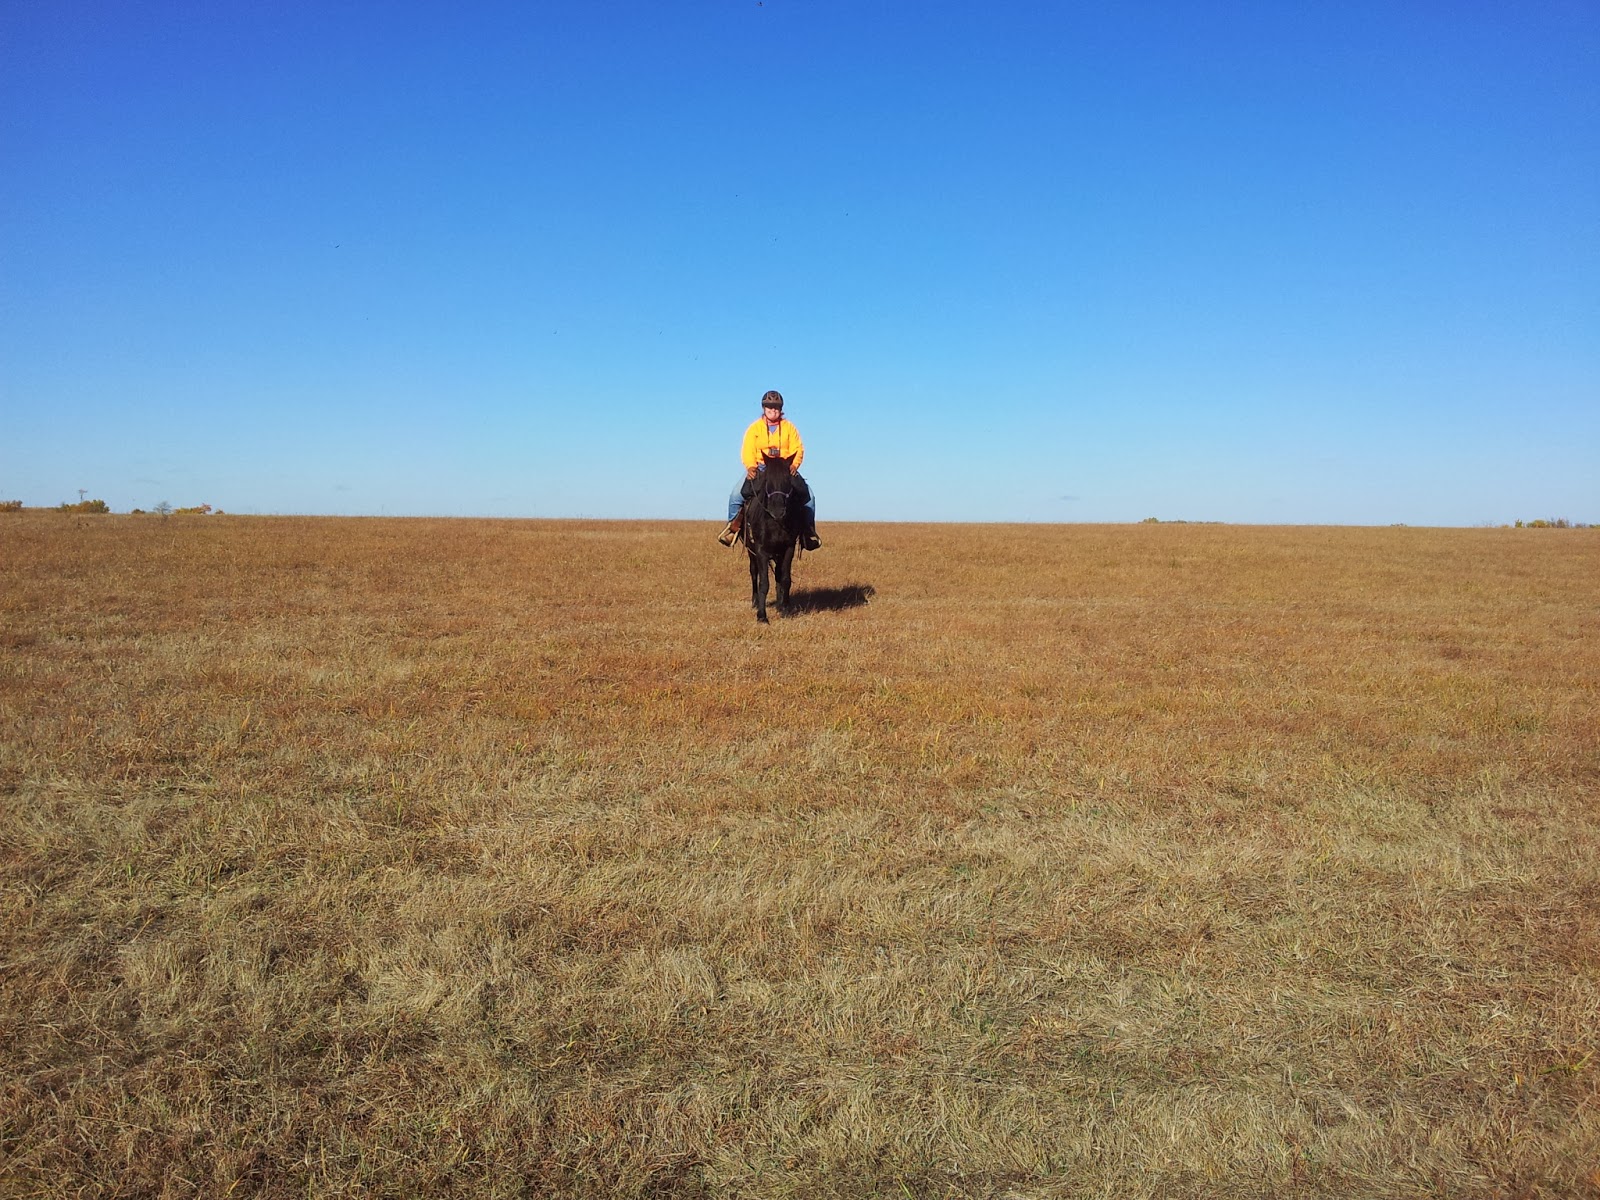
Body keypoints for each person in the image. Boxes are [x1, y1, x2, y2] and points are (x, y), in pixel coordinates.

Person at [718, 390, 821, 550]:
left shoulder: (789, 428)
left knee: (810, 498)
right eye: (769, 408)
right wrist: (751, 466)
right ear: (764, 409)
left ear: (781, 410)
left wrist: (794, 465)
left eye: (776, 408)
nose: (773, 411)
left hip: (786, 469)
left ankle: (808, 533)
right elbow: (748, 450)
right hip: (760, 468)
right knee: (736, 495)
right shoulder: (754, 428)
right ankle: (733, 528)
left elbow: (798, 448)